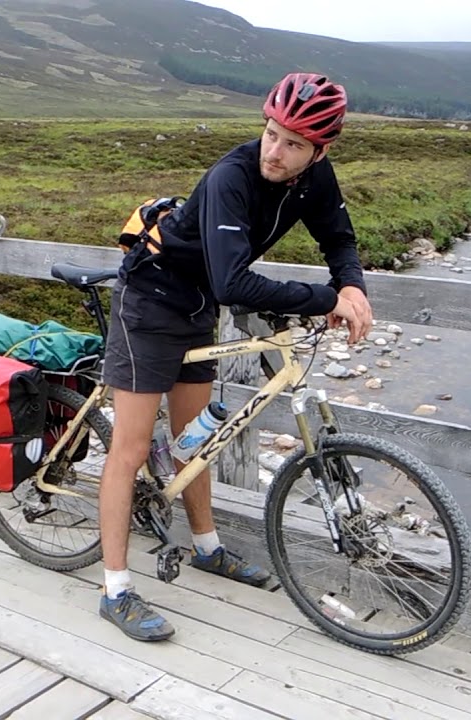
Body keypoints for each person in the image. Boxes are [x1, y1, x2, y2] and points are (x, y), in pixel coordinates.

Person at [97, 72, 374, 641]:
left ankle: (207, 548)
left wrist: (351, 284)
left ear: (320, 151)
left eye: (293, 144)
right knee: (130, 448)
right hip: (149, 302)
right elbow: (233, 283)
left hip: (197, 305)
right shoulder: (232, 176)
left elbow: (338, 238)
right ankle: (116, 590)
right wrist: (325, 300)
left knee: (195, 439)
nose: (275, 151)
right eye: (272, 134)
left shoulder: (315, 179)